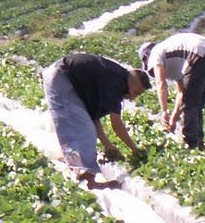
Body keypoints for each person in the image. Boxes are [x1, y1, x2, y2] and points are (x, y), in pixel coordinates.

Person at [41, 52, 151, 186]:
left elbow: (93, 117)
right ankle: (84, 176)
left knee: (84, 127)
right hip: (60, 78)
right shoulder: (115, 82)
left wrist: (108, 145)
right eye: (135, 93)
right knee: (75, 129)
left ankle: (83, 172)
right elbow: (116, 124)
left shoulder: (117, 79)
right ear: (130, 82)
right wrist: (135, 149)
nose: (133, 98)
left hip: (65, 79)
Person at [139, 33, 205, 149]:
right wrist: (173, 119)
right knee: (196, 103)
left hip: (198, 54)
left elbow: (161, 83)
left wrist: (164, 111)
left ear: (146, 56)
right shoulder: (174, 58)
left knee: (190, 104)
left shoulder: (155, 54)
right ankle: (199, 142)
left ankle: (191, 143)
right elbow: (181, 93)